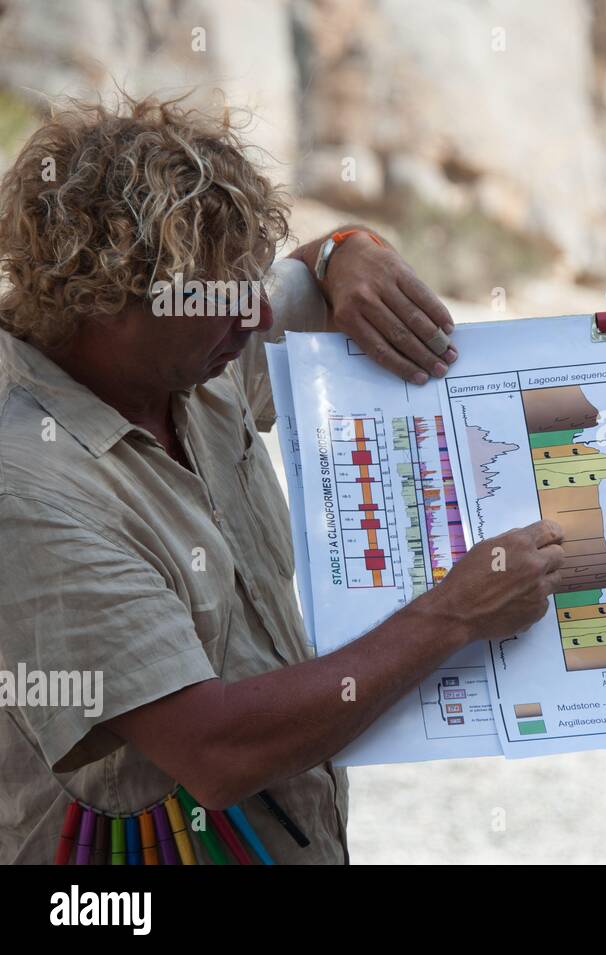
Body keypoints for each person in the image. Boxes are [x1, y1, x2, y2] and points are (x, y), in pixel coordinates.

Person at [0, 94, 564, 863]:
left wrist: (343, 248)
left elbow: (310, 273)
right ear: (104, 304)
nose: (255, 312)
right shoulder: (30, 487)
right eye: (226, 296)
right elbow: (215, 749)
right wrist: (454, 617)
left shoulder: (193, 347)